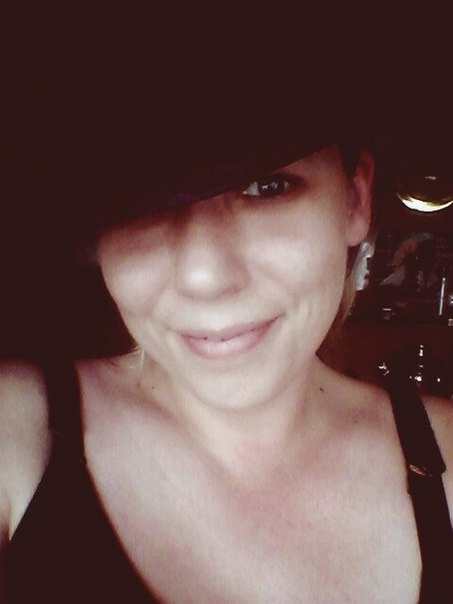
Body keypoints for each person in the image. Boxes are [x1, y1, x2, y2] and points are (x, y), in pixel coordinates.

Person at [1, 5, 452, 603]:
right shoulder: (14, 434)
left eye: (267, 187)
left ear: (355, 200)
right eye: (140, 205)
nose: (206, 276)